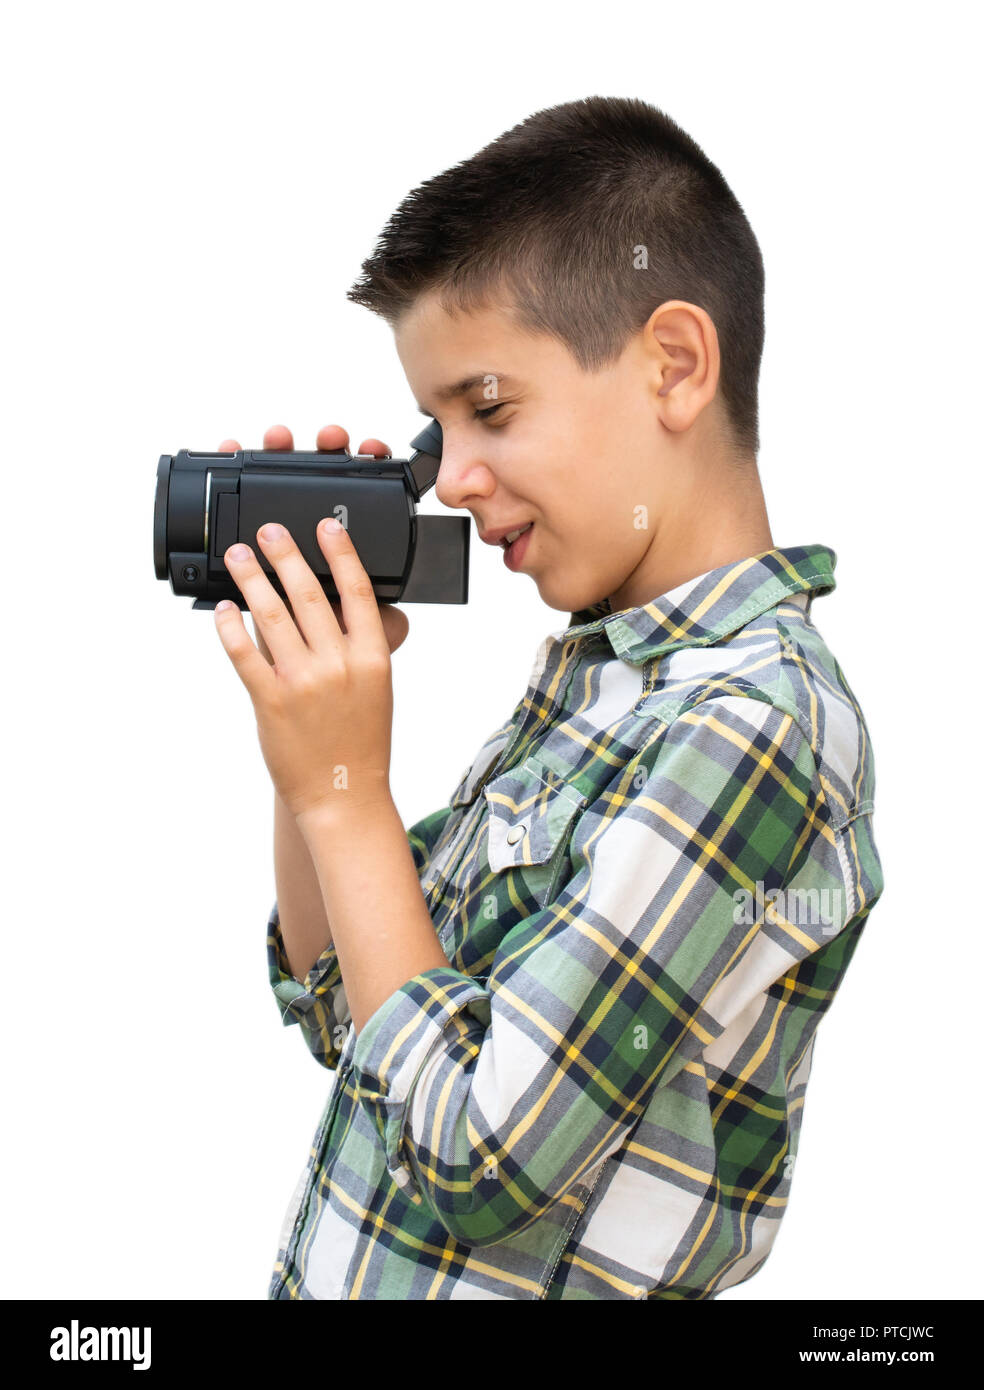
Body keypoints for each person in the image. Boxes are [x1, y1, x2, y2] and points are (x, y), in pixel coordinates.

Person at [225, 95, 884, 1300]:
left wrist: (351, 794)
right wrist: (307, 749)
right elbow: (351, 1017)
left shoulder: (754, 727)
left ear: (674, 366)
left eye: (489, 408)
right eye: (434, 429)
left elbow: (484, 1155)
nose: (454, 479)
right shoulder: (600, 685)